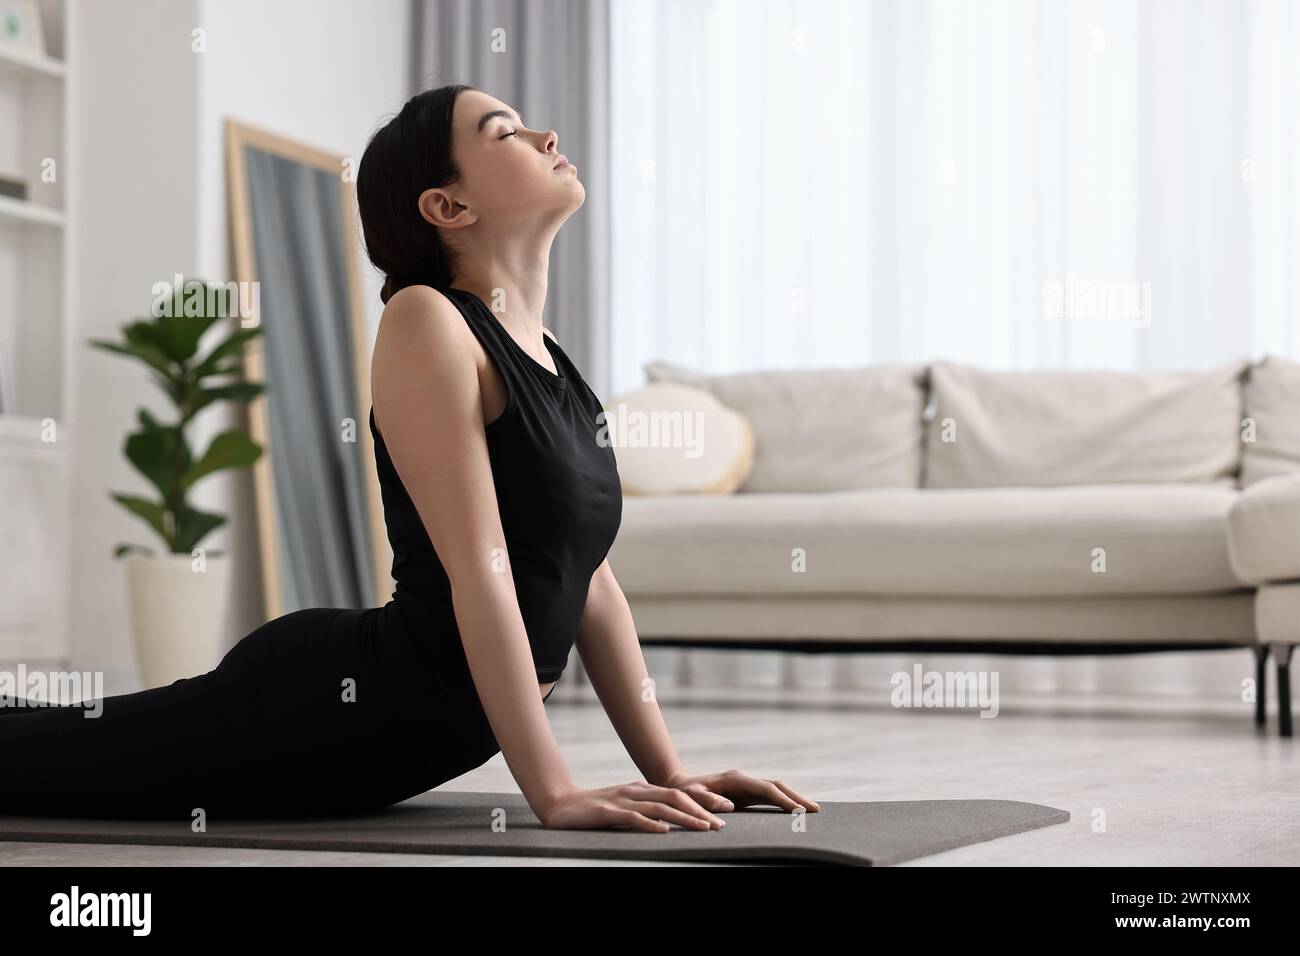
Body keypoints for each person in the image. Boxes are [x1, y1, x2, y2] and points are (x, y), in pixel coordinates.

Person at [0, 84, 819, 832]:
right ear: (447, 204)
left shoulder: (553, 355)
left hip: (394, 740)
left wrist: (673, 772)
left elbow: (592, 584)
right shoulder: (427, 320)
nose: (545, 133)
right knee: (35, 766)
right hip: (326, 707)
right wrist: (555, 793)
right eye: (506, 131)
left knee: (55, 740)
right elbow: (482, 568)